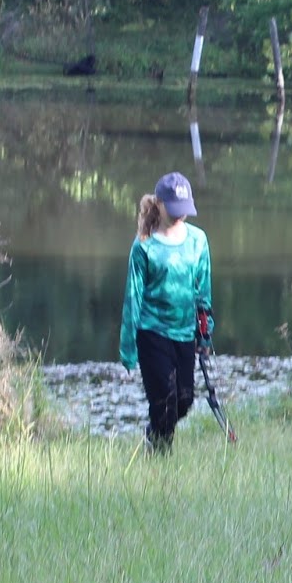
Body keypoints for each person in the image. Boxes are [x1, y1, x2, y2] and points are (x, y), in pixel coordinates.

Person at [119, 171, 214, 453]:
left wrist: (205, 334)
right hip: (152, 333)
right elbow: (132, 297)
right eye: (174, 210)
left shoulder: (198, 241)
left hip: (185, 333)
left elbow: (203, 290)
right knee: (164, 400)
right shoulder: (144, 245)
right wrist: (128, 348)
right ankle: (160, 457)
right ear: (159, 204)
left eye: (184, 211)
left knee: (184, 400)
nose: (179, 216)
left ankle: (153, 435)